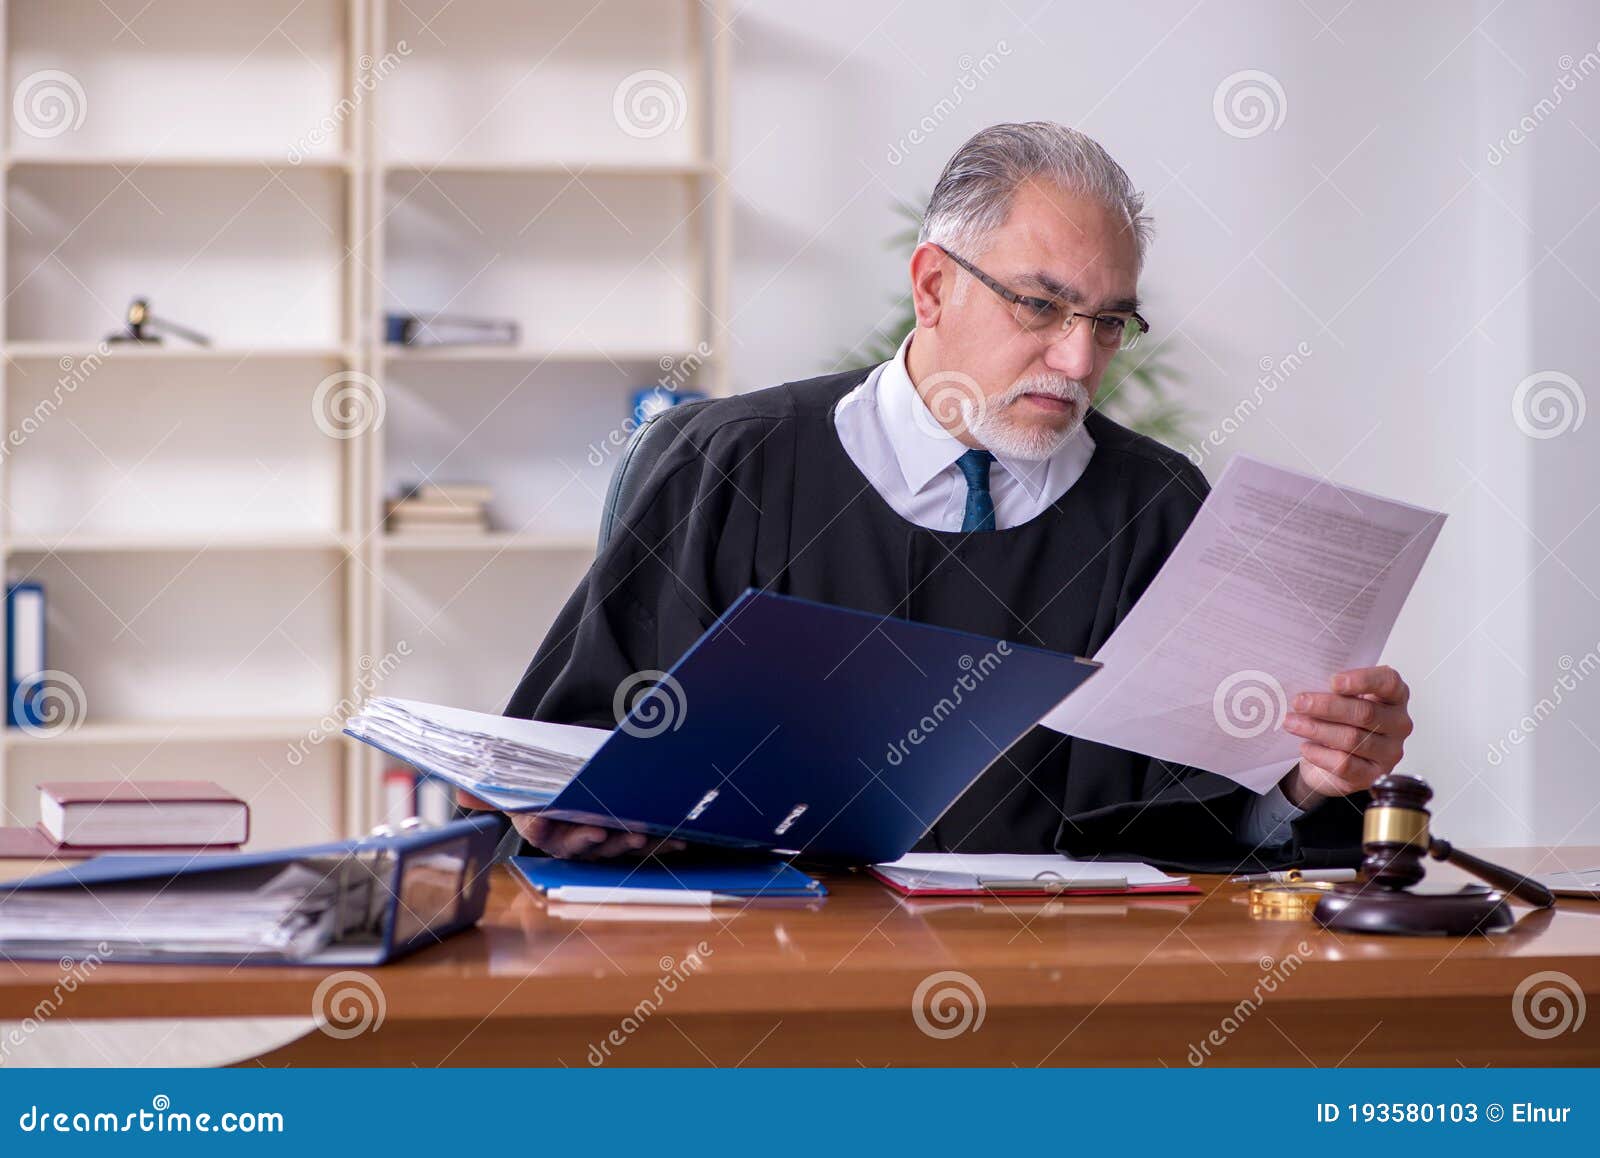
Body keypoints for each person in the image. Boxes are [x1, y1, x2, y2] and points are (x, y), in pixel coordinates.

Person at [494, 122, 1413, 871]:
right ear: (933, 286)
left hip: (1071, 1003)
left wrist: (1310, 778)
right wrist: (579, 809)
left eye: (1108, 322)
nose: (1079, 360)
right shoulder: (728, 465)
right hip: (766, 984)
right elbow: (569, 752)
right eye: (1041, 307)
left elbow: (1208, 825)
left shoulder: (1159, 509)